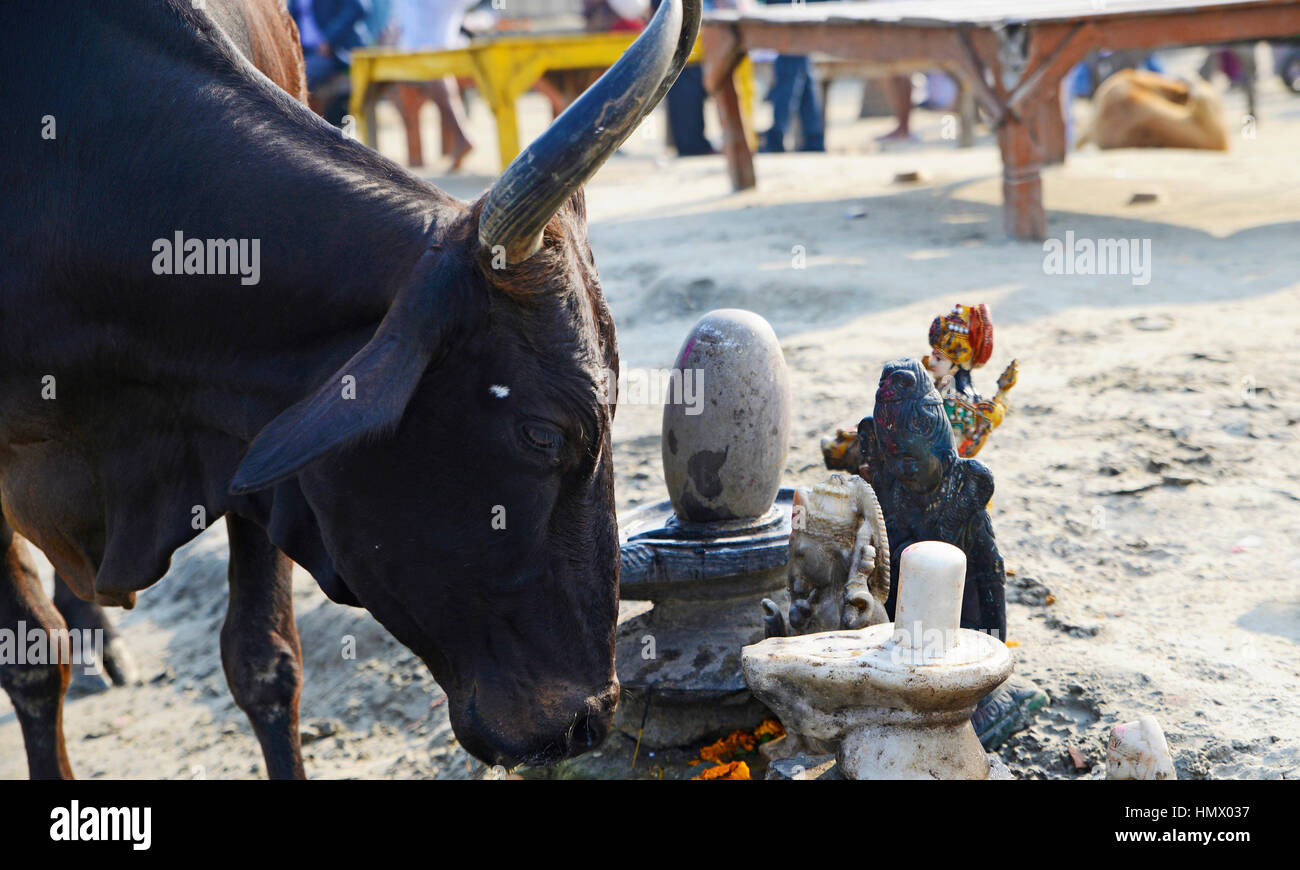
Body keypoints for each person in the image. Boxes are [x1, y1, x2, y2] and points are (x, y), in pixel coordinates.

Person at [389, 0, 476, 169]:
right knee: (433, 73)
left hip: (434, 58)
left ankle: (459, 138)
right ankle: (458, 138)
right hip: (417, 59)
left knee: (435, 72)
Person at [290, 0, 374, 127]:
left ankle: (299, 127)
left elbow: (358, 7)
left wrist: (329, 40)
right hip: (304, 52)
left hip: (335, 52)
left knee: (297, 78)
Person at [760, 0, 826, 153]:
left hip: (791, 9)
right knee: (801, 65)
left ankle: (777, 136)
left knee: (790, 63)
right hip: (798, 9)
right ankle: (813, 137)